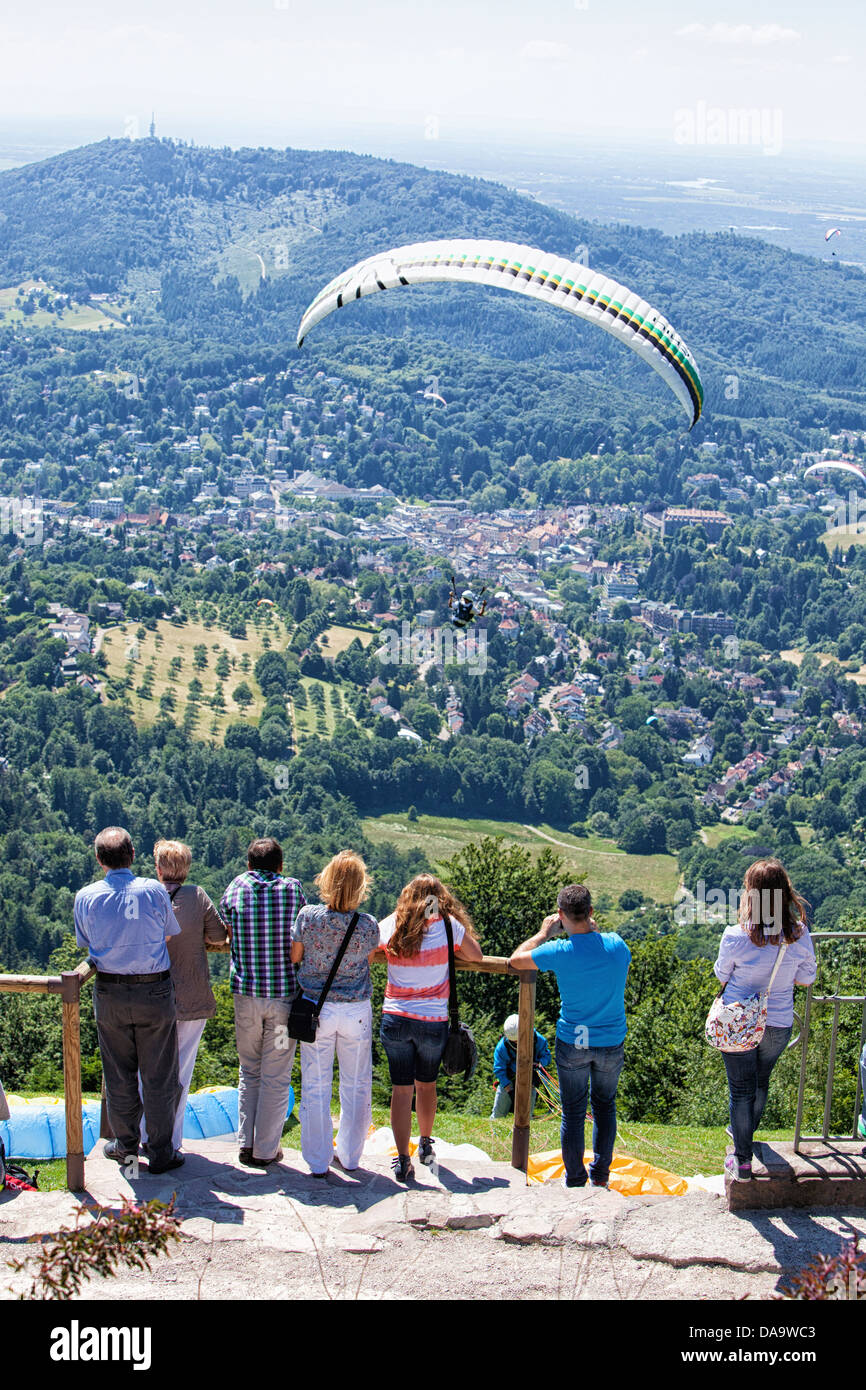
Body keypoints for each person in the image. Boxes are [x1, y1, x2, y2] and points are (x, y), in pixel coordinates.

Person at [73, 826, 182, 1174]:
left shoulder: (86, 897)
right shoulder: (153, 890)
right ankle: (162, 1152)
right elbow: (167, 932)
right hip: (154, 990)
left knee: (119, 1073)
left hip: (110, 992)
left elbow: (86, 942)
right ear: (133, 855)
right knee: (160, 1075)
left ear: (98, 860)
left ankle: (126, 1147)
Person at [509, 884, 630, 1190]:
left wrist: (543, 933)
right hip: (610, 1041)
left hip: (573, 1040)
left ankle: (575, 1178)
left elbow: (514, 960)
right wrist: (593, 931)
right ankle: (600, 1175)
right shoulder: (617, 946)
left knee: (573, 1111)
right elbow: (602, 948)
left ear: (560, 915)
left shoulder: (558, 951)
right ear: (590, 912)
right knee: (605, 1106)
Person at [714, 859, 817, 1182]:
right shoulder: (798, 935)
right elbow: (807, 978)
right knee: (760, 1082)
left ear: (751, 895)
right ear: (785, 894)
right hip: (778, 1022)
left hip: (739, 1022)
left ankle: (742, 1159)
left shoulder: (735, 935)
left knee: (740, 1090)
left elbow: (721, 975)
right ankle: (745, 1138)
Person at [378, 874, 483, 1181]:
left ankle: (402, 1158)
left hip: (396, 1016)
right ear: (441, 899)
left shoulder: (393, 924)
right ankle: (425, 1144)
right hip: (433, 1020)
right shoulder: (449, 926)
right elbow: (475, 955)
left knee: (400, 1090)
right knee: (426, 1085)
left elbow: (371, 945)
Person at [290, 852, 380, 1178]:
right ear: (360, 887)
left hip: (317, 1008)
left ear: (326, 881)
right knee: (356, 1085)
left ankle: (317, 1159)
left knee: (315, 1084)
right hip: (355, 1008)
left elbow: (296, 955)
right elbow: (369, 957)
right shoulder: (368, 925)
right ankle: (351, 1156)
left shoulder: (307, 918)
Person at [220, 838, 306, 1168]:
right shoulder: (293, 889)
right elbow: (302, 929)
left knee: (249, 1069)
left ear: (249, 864)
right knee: (277, 1072)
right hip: (284, 999)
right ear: (280, 865)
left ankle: (246, 1143)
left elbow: (225, 927)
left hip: (246, 997)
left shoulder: (237, 886)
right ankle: (266, 1150)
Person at [140, 840, 230, 1154]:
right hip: (190, 996)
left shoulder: (145, 895)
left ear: (159, 868)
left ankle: (144, 1136)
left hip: (149, 995)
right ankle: (171, 1142)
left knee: (147, 1070)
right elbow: (219, 936)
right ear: (186, 868)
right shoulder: (197, 896)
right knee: (180, 1072)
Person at [490, 1014, 551, 1118]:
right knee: (498, 1115)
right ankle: (494, 1131)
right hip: (508, 1080)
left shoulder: (538, 1040)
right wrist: (509, 1089)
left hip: (530, 1079)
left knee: (526, 1116)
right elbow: (499, 1069)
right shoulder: (502, 1047)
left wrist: (540, 1064)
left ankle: (525, 1131)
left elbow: (546, 1056)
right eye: (514, 1042)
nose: (517, 1044)